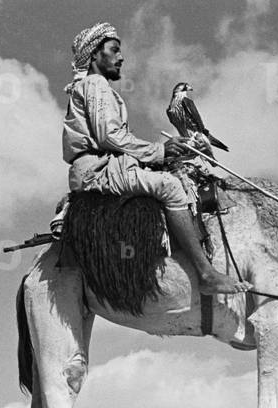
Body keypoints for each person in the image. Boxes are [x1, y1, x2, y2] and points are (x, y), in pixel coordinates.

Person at [60, 22, 249, 295]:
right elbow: (108, 136)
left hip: (104, 166)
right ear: (94, 55)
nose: (121, 57)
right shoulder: (95, 84)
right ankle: (206, 274)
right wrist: (160, 151)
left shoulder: (92, 87)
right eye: (114, 50)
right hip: (98, 171)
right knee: (171, 187)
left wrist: (165, 152)